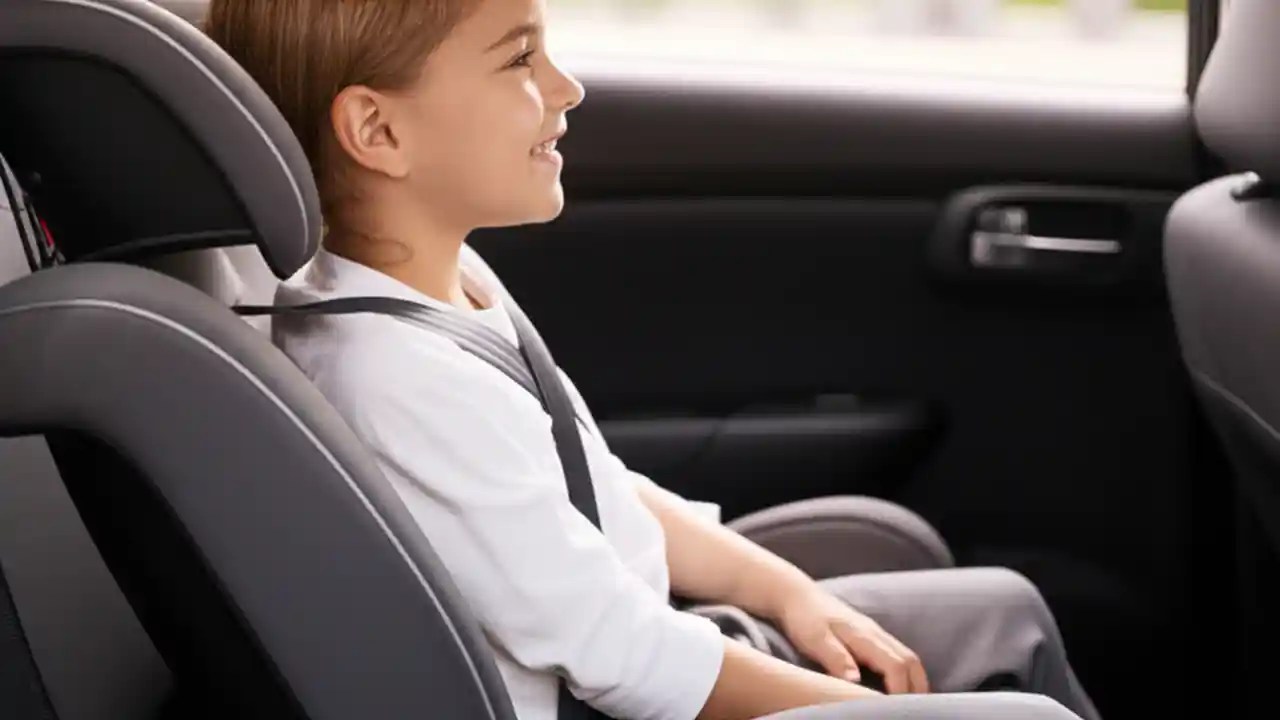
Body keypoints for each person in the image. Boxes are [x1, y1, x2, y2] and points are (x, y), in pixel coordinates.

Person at [204, 2, 1100, 720]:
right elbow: (623, 658)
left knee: (1002, 610)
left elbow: (594, 482)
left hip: (662, 649)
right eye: (520, 59)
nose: (568, 87)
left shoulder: (448, 282)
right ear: (379, 131)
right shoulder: (392, 379)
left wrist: (788, 593)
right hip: (614, 697)